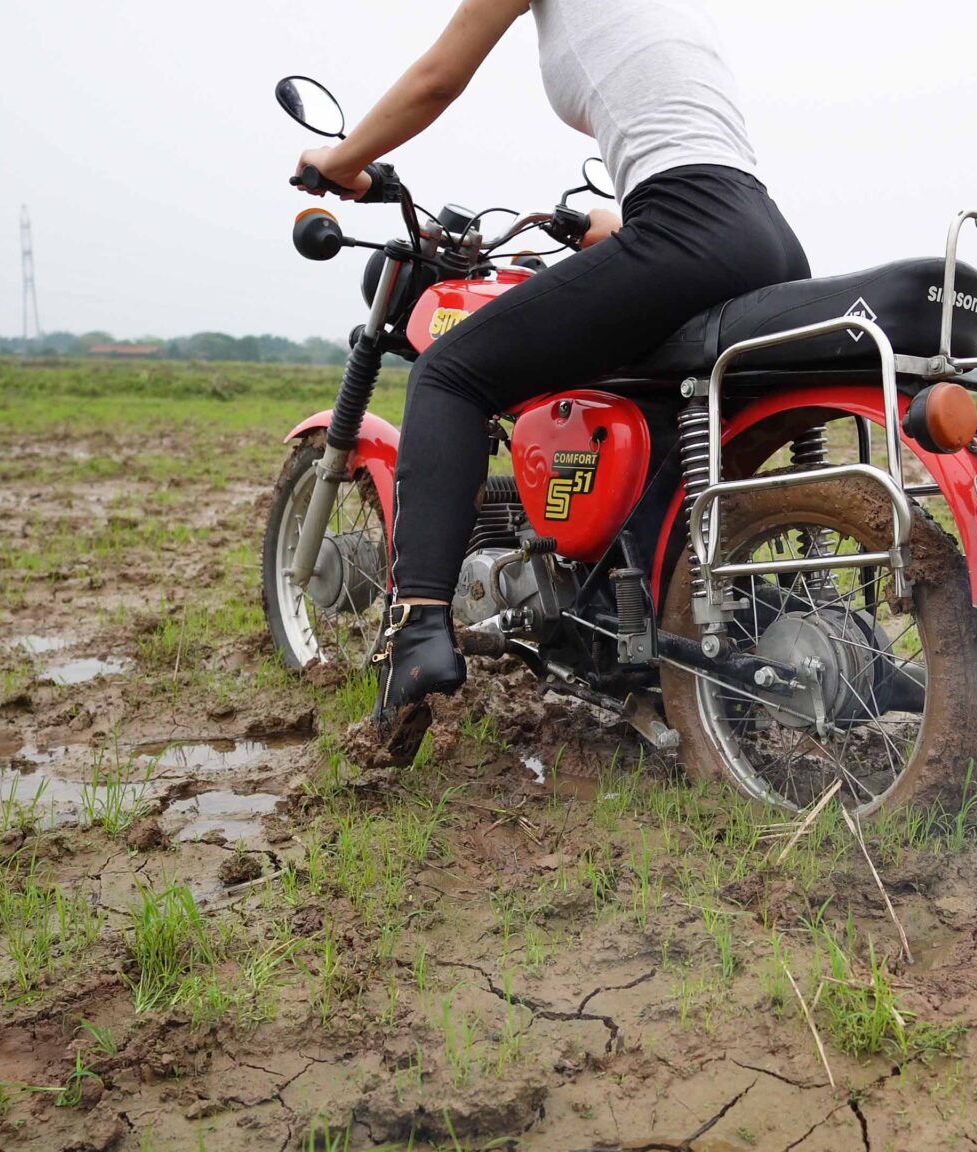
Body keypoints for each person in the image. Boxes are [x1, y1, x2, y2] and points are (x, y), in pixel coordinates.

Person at [292, 0, 809, 758]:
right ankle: (646, 643)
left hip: (687, 220)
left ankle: (418, 632)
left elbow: (438, 78)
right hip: (759, 232)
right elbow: (675, 135)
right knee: (655, 432)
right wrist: (619, 220)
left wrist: (339, 162)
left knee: (449, 376)